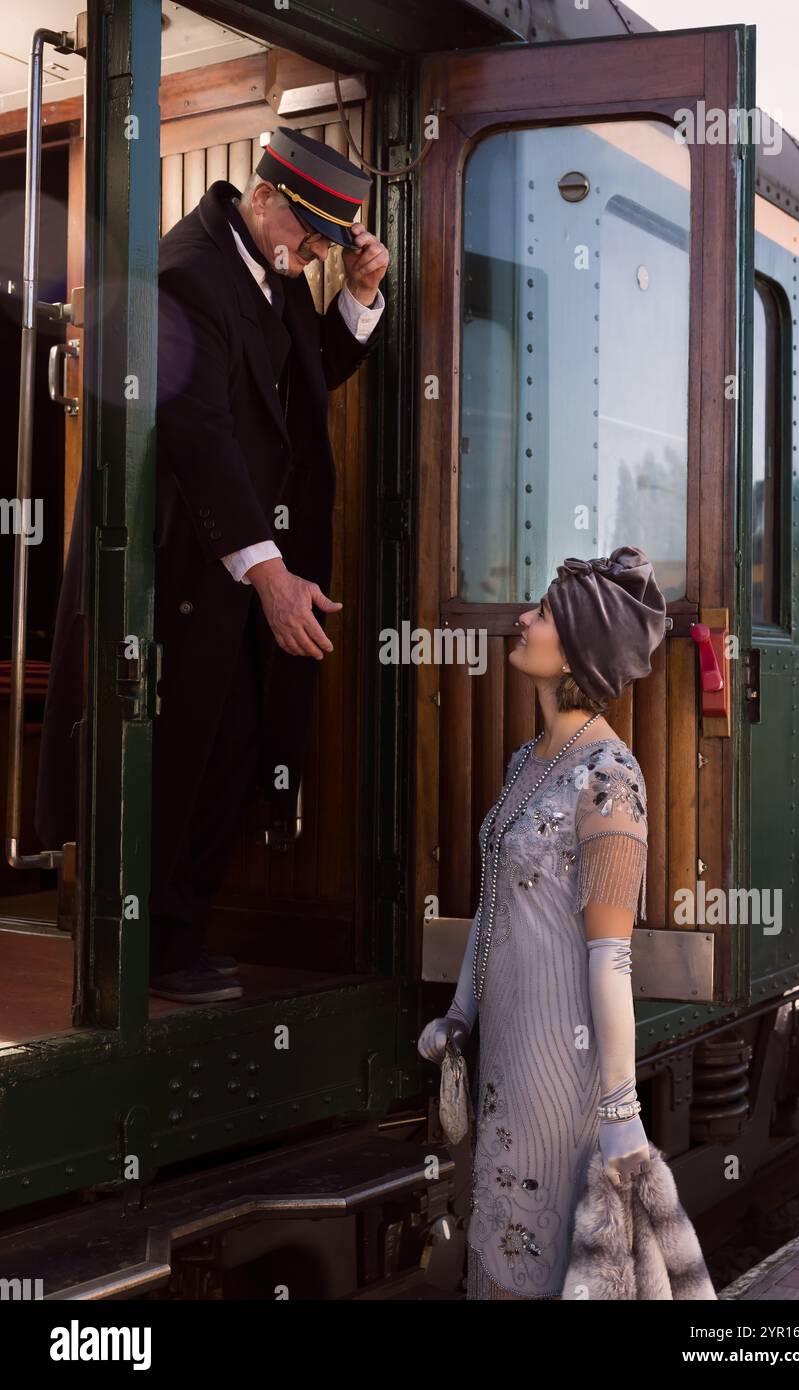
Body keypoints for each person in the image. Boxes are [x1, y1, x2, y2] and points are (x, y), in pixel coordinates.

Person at [34, 127, 388, 1004]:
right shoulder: (187, 273)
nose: (312, 256)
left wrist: (360, 295)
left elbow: (304, 380)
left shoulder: (273, 268)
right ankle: (145, 946)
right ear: (266, 198)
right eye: (310, 239)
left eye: (323, 248)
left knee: (230, 746)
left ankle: (179, 935)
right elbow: (199, 433)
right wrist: (268, 573)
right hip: (173, 567)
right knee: (177, 753)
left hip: (229, 559)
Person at [418, 546, 667, 1300]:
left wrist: (622, 1111)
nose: (521, 620)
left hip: (564, 1064)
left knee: (550, 1262)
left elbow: (611, 958)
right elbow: (497, 906)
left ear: (578, 654)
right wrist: (460, 1013)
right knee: (500, 1244)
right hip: (505, 1057)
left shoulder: (610, 779)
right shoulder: (525, 762)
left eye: (543, 614)